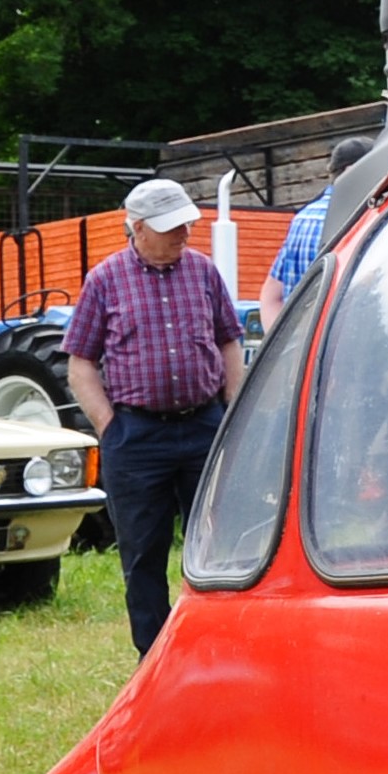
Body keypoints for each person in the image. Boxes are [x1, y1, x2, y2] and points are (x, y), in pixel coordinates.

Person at [65, 176, 248, 651]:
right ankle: (154, 657)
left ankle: (219, 644)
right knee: (142, 552)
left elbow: (229, 341)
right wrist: (109, 426)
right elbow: (80, 363)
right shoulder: (104, 280)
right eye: (172, 227)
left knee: (219, 545)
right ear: (138, 227)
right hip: (136, 436)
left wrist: (233, 409)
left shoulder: (204, 272)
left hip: (204, 427)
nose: (184, 234)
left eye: (186, 224)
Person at [256, 134, 377, 323]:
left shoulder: (301, 219)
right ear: (353, 172)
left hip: (303, 338)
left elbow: (270, 297)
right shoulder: (363, 219)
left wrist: (285, 341)